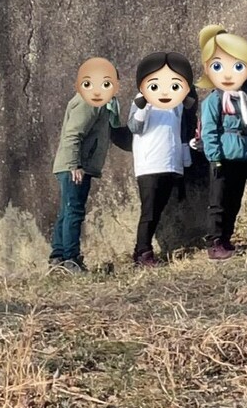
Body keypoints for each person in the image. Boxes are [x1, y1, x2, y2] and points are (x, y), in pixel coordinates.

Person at [48, 57, 121, 274]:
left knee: (67, 210)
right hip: (75, 166)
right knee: (74, 211)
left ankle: (59, 257)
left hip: (78, 165)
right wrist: (74, 165)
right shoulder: (90, 101)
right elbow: (73, 134)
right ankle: (70, 259)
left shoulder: (101, 103)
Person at [197, 25, 247, 260]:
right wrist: (214, 158)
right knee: (219, 202)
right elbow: (210, 130)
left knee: (233, 201)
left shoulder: (244, 98)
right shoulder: (214, 99)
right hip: (223, 158)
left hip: (242, 157)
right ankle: (214, 242)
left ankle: (226, 239)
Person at [128, 52, 196, 266]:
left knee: (157, 211)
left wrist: (185, 159)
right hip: (149, 165)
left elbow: (182, 130)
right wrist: (145, 104)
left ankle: (140, 250)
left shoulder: (176, 104)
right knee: (149, 211)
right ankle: (144, 253)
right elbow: (134, 127)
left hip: (171, 164)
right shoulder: (141, 102)